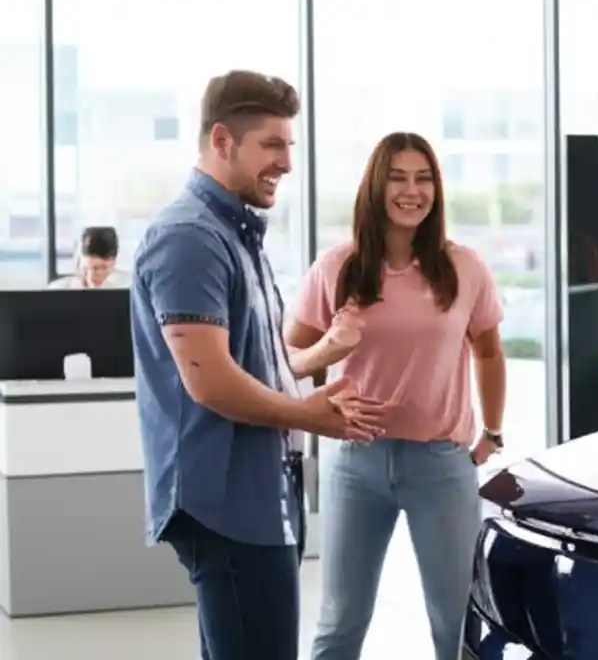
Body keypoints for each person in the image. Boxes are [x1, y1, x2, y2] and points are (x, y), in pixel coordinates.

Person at [130, 69, 388, 660]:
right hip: (227, 501)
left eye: (289, 146)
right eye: (272, 145)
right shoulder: (190, 237)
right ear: (222, 141)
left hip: (258, 493)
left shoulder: (234, 234)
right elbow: (211, 382)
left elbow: (253, 362)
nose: (287, 163)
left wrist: (324, 353)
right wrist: (309, 415)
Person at [286, 131, 507, 660]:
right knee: (340, 623)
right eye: (399, 178)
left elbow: (489, 352)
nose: (412, 191)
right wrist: (327, 365)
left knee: (456, 623)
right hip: (356, 464)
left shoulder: (464, 268)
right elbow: (288, 360)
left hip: (441, 464)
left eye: (424, 178)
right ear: (376, 187)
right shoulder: (336, 267)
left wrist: (491, 435)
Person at [49, 226, 131, 288]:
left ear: (113, 263)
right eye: (86, 269)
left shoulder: (129, 286)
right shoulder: (59, 289)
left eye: (99, 268)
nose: (91, 276)